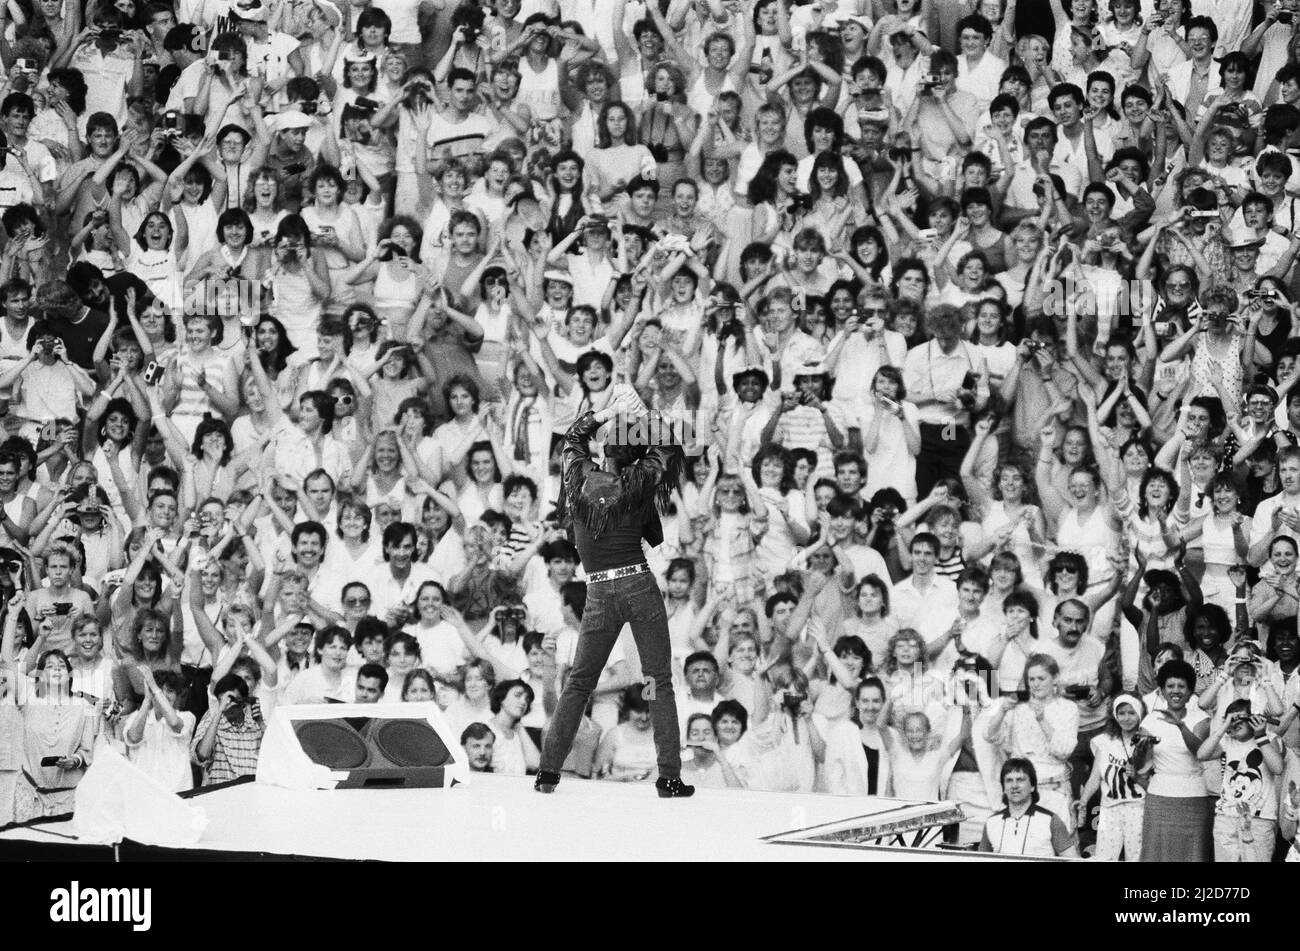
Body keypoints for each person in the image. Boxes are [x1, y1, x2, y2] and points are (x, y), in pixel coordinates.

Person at [535, 391, 692, 798]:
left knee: (580, 683)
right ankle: (669, 776)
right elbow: (670, 446)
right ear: (634, 456)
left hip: (599, 591)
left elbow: (571, 439)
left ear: (604, 453)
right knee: (659, 680)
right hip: (638, 585)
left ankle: (548, 772)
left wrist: (606, 412)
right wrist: (647, 416)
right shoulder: (638, 484)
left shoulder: (578, 480)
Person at [978, 758, 1080, 857]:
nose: (1014, 785)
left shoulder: (1051, 821)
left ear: (1032, 786)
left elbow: (1072, 859)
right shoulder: (992, 822)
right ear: (1003, 788)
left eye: (1020, 780)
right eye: (1009, 780)